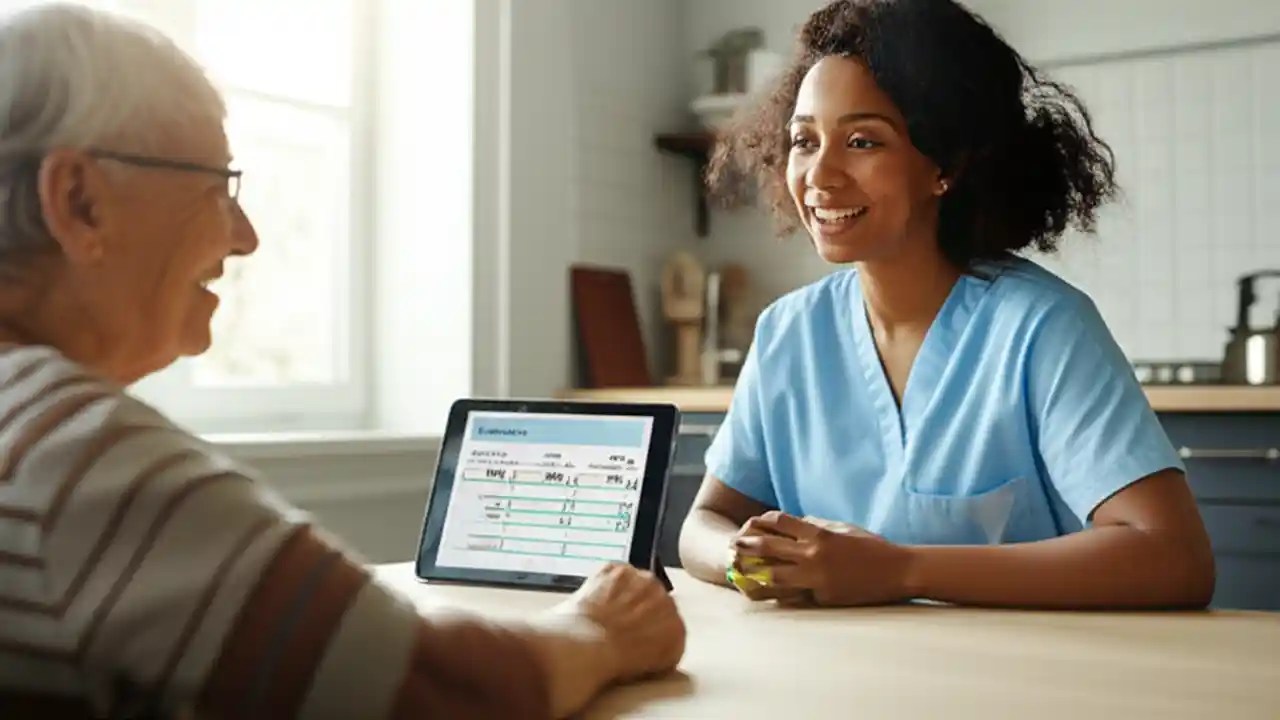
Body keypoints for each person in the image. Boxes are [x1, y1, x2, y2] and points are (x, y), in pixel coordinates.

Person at [0, 4, 684, 718]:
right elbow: (446, 691)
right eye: (216, 187)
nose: (245, 236)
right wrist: (601, 627)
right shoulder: (70, 455)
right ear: (79, 201)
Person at [679, 0, 1216, 610]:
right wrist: (746, 561)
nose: (820, 175)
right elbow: (704, 524)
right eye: (804, 141)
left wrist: (901, 571)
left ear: (946, 165)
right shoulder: (787, 332)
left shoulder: (1041, 328)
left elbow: (1174, 557)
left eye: (861, 141)